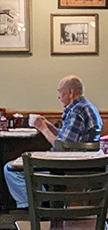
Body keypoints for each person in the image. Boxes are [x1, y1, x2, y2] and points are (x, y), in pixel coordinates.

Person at [3, 75, 102, 209]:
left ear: (70, 92)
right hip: (84, 161)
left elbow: (63, 148)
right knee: (23, 167)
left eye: (60, 91)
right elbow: (67, 139)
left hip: (71, 166)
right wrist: (49, 125)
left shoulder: (76, 111)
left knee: (12, 169)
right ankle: (44, 204)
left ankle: (36, 208)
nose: (58, 96)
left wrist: (42, 128)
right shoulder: (86, 106)